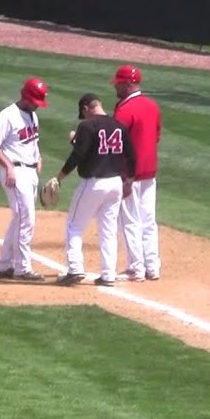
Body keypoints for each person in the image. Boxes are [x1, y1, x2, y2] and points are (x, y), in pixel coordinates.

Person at [55, 94, 135, 288]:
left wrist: (59, 177)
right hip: (115, 183)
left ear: (85, 108)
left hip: (94, 183)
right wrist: (129, 181)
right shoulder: (118, 125)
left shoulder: (87, 126)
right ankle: (108, 275)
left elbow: (79, 154)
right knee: (108, 229)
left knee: (74, 226)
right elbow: (130, 156)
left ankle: (74, 269)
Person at [0, 77, 49, 282]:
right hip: (15, 174)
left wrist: (38, 157)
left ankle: (4, 266)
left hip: (30, 173)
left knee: (19, 219)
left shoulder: (32, 115)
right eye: (35, 102)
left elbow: (32, 141)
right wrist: (8, 167)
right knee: (27, 219)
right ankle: (23, 269)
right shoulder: (7, 115)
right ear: (26, 96)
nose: (37, 106)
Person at [111, 63, 163, 281]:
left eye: (119, 84)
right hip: (149, 172)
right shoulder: (153, 106)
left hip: (128, 175)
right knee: (148, 220)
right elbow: (156, 136)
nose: (116, 88)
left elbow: (115, 142)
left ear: (127, 84)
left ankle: (136, 268)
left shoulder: (124, 109)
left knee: (130, 221)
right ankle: (152, 266)